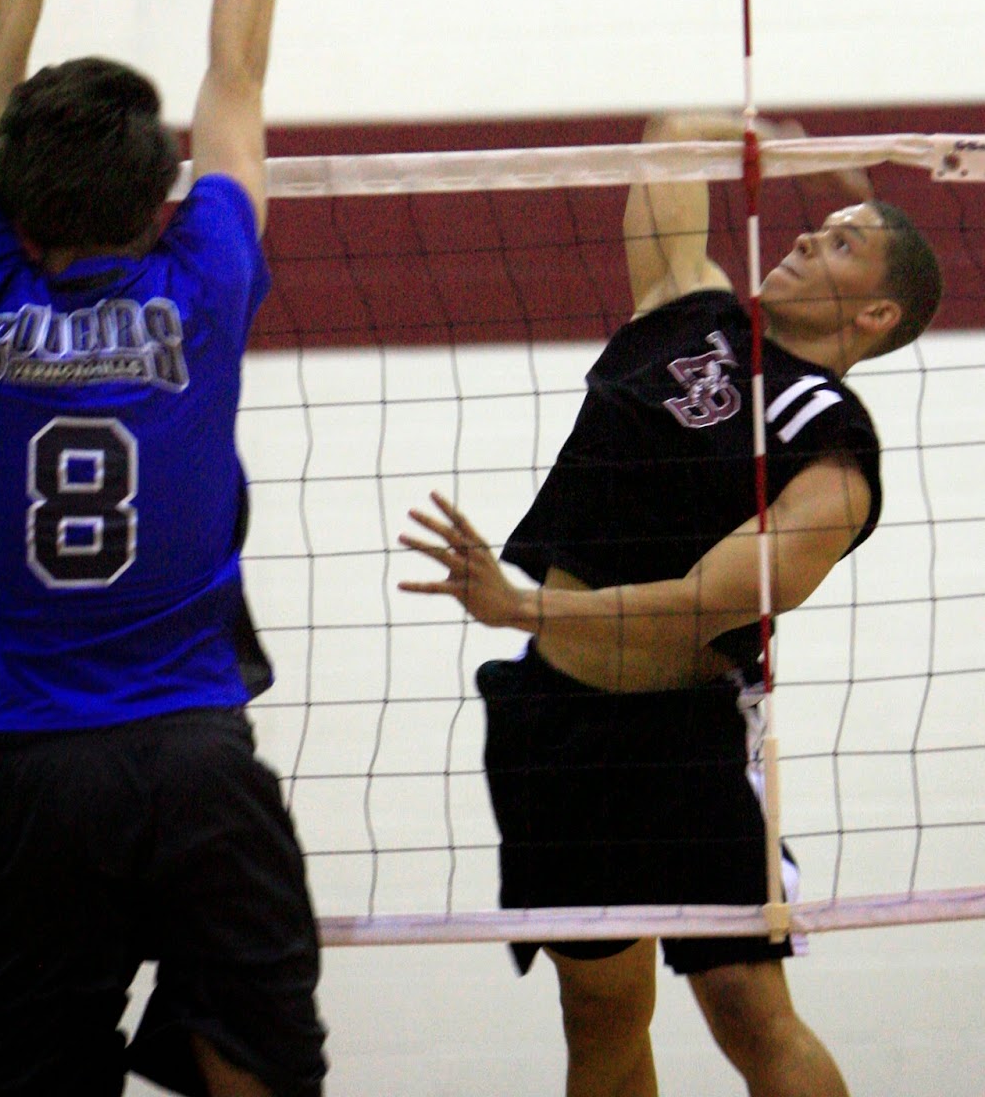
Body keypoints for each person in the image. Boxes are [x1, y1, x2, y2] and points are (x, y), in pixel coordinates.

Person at [399, 110, 942, 1097]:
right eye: (819, 228)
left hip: (678, 741)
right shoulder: (688, 304)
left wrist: (521, 608)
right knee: (599, 1011)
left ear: (875, 316)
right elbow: (666, 138)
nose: (805, 237)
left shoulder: (833, 452)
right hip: (556, 729)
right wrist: (796, 148)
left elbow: (700, 604)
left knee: (747, 1008)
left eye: (843, 244)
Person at [0, 0, 347, 1097]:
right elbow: (235, 80)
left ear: (11, 208)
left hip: (30, 771)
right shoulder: (203, 281)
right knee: (255, 1068)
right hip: (194, 756)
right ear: (160, 204)